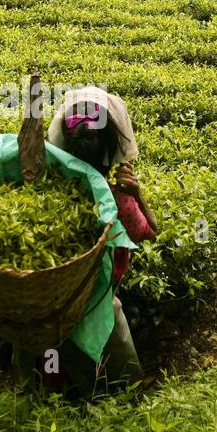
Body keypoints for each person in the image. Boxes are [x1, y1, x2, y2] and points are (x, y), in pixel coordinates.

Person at [27, 86, 158, 395]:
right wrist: (137, 193)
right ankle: (121, 387)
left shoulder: (52, 189)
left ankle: (54, 392)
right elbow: (150, 230)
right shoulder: (117, 199)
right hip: (97, 295)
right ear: (110, 147)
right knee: (109, 336)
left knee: (54, 347)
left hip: (51, 292)